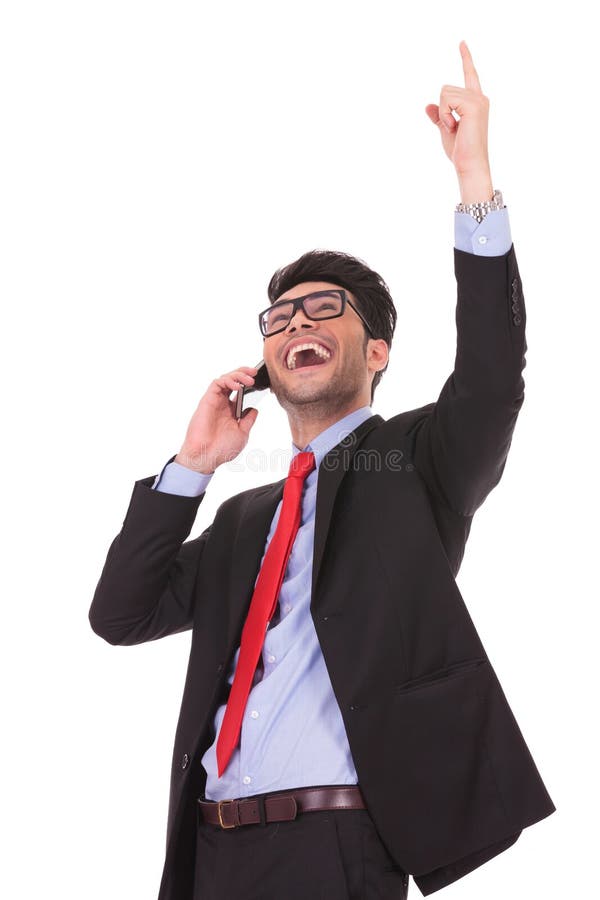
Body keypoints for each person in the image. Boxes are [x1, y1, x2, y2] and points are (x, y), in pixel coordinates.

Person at [89, 41, 555, 900]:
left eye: (324, 308)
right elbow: (121, 615)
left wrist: (475, 182)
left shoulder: (419, 464)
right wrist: (192, 467)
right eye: (281, 314)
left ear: (374, 351)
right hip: (210, 851)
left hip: (336, 848)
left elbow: (493, 375)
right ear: (266, 360)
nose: (298, 318)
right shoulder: (243, 520)